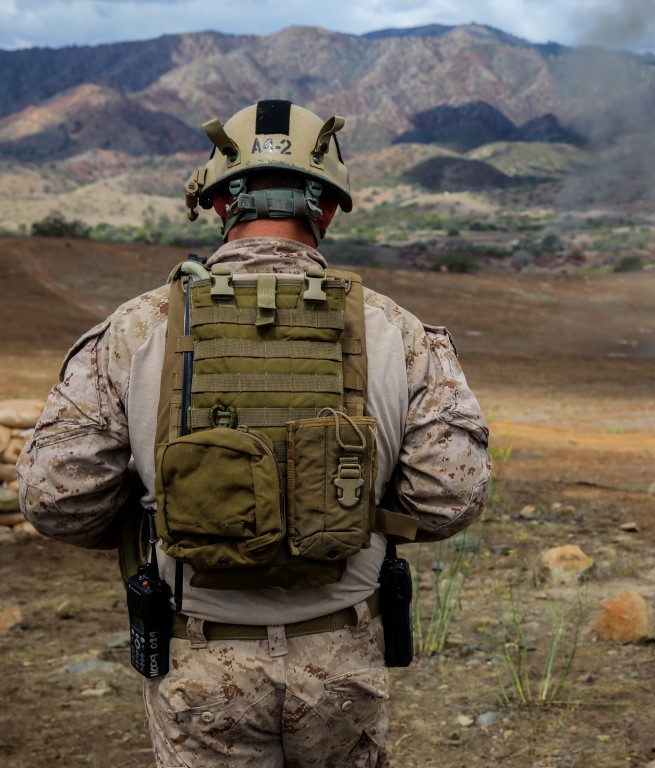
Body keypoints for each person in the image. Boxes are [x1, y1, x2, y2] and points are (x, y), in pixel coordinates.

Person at [17, 100, 491, 767]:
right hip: (341, 659)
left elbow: (57, 500)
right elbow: (451, 498)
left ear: (217, 205)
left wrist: (161, 517)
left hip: (202, 660)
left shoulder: (134, 329)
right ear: (326, 209)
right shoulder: (400, 333)